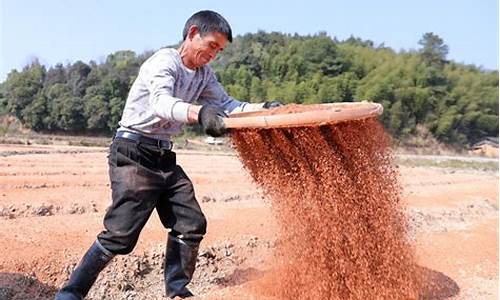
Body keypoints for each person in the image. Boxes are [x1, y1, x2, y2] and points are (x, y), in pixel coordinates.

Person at [55, 10, 282, 300]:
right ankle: (70, 293)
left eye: (220, 50)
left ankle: (176, 290)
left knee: (190, 223)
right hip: (133, 153)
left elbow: (227, 104)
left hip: (163, 155)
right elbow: (162, 103)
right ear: (192, 34)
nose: (214, 54)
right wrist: (200, 113)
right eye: (211, 45)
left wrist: (265, 109)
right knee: (120, 235)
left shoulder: (203, 75)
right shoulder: (163, 62)